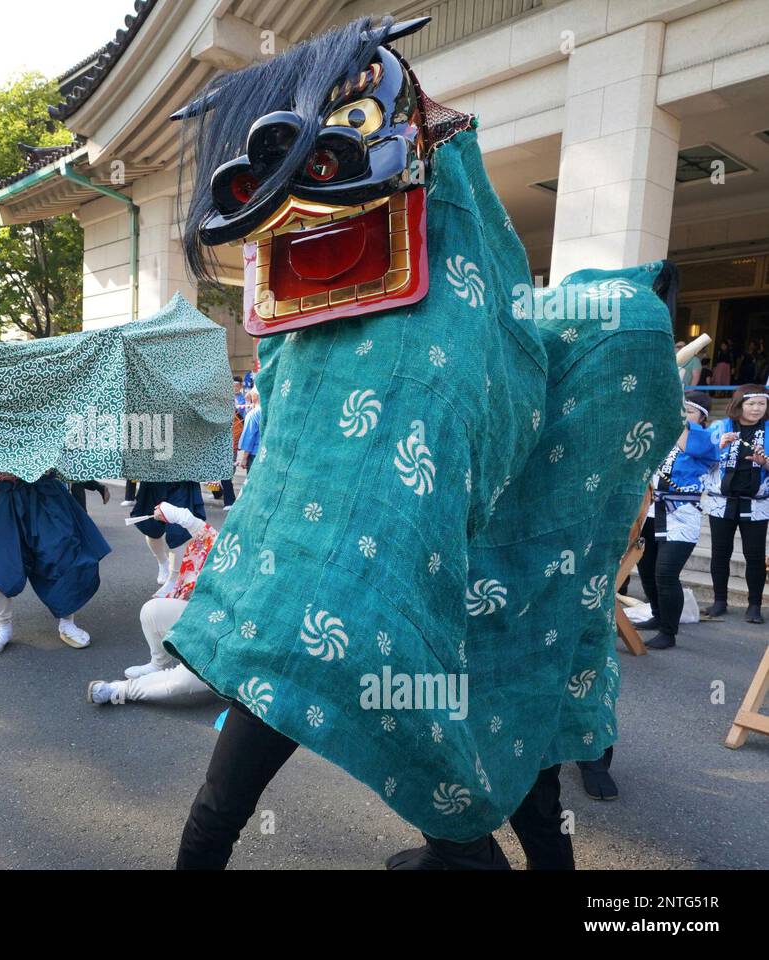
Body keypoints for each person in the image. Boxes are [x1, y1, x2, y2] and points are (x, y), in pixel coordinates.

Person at [162, 14, 683, 871]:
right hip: (315, 597)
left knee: (483, 776)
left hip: (445, 596)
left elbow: (532, 352)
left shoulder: (469, 298)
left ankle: (465, 855)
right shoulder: (306, 324)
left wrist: (626, 307)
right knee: (244, 793)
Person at [87, 500, 217, 707]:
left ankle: (120, 689)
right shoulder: (252, 542)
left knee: (182, 680)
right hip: (214, 620)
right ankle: (158, 664)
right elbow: (220, 548)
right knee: (153, 611)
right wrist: (183, 517)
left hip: (241, 651)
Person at [0, 471, 110, 655]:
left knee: (63, 558)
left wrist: (94, 484)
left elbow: (64, 456)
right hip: (6, 500)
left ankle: (67, 623)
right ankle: (3, 629)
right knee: (3, 565)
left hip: (47, 497)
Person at [637, 393, 720, 649]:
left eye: (690, 411)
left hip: (682, 513)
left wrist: (673, 412)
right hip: (653, 509)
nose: (683, 414)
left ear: (702, 417)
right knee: (645, 567)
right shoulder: (663, 435)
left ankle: (668, 631)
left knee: (666, 572)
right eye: (681, 409)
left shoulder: (704, 437)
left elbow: (688, 445)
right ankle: (656, 614)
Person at [701, 383, 769, 623]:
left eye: (762, 404)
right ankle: (719, 600)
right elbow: (701, 460)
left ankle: (754, 605)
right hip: (722, 500)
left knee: (754, 555)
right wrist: (719, 447)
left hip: (757, 502)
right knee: (720, 553)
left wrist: (765, 463)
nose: (756, 408)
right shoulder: (720, 427)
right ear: (738, 405)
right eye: (751, 404)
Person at [130, 480, 207, 584]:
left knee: (178, 532)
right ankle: (162, 563)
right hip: (153, 477)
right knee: (151, 528)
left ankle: (174, 577)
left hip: (182, 478)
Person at [237, 390, 262, 474]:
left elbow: (249, 437)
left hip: (255, 453)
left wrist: (244, 458)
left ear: (254, 397)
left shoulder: (253, 414)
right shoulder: (273, 411)